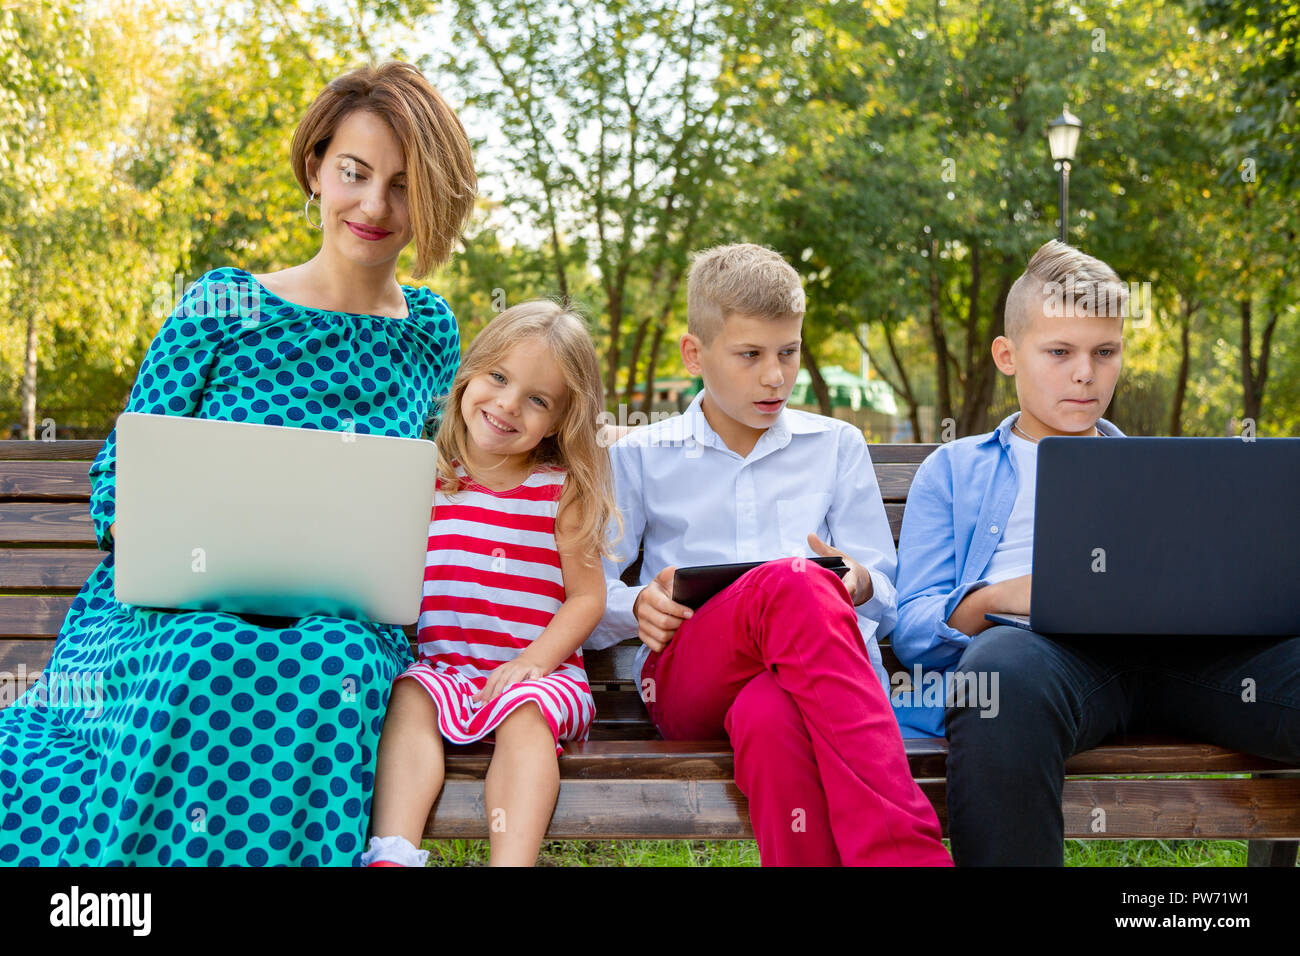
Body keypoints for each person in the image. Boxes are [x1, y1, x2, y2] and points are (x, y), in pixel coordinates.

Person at [0, 61, 477, 866]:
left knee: (335, 667)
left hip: (345, 623)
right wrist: (160, 542)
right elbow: (121, 466)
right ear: (317, 168)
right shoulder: (224, 304)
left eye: (403, 186)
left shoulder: (432, 331)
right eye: (355, 174)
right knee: (206, 656)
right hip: (177, 613)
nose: (374, 206)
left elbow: (441, 481)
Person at [892, 239, 1300, 865]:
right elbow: (914, 630)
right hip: (1044, 662)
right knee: (995, 675)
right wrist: (1002, 597)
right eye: (1059, 352)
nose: (1085, 372)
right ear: (1008, 355)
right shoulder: (953, 470)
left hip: (1188, 662)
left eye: (1104, 352)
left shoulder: (1164, 472)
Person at [586, 243, 952, 866]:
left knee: (771, 715)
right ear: (694, 355)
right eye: (751, 355)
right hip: (688, 677)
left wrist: (860, 580)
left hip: (808, 687)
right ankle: (906, 856)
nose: (776, 376)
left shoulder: (835, 444)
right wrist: (636, 605)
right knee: (796, 583)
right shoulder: (643, 454)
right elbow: (587, 597)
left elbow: (884, 594)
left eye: (789, 352)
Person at [362, 300, 618, 867]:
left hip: (541, 677)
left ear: (558, 421)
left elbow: (587, 595)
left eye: (537, 400)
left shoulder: (558, 490)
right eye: (498, 378)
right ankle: (393, 853)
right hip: (446, 668)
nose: (506, 405)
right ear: (468, 375)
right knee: (407, 696)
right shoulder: (428, 478)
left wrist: (534, 662)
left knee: (525, 714)